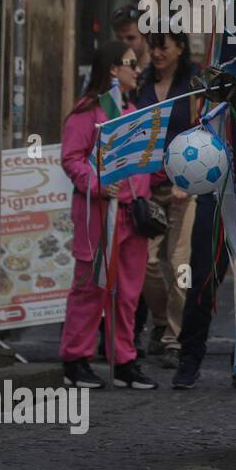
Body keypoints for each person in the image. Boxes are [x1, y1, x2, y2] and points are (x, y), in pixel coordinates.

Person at [58, 41, 156, 390]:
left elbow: (142, 161)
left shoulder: (131, 110)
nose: (137, 70)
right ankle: (75, 359)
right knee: (90, 287)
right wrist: (98, 184)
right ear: (113, 69)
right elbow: (71, 158)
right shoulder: (88, 112)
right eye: (131, 64)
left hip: (132, 214)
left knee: (128, 292)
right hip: (98, 214)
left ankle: (123, 359)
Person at [135, 29, 200, 369]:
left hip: (181, 186)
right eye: (152, 46)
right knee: (144, 262)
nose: (157, 52)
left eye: (163, 46)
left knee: (179, 265)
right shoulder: (142, 83)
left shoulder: (192, 85)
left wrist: (187, 180)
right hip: (145, 185)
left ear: (180, 48)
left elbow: (201, 131)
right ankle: (160, 321)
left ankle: (174, 338)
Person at [111, 4, 150, 71]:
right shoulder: (108, 71)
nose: (124, 44)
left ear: (145, 36)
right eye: (119, 38)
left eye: (130, 38)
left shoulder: (161, 72)